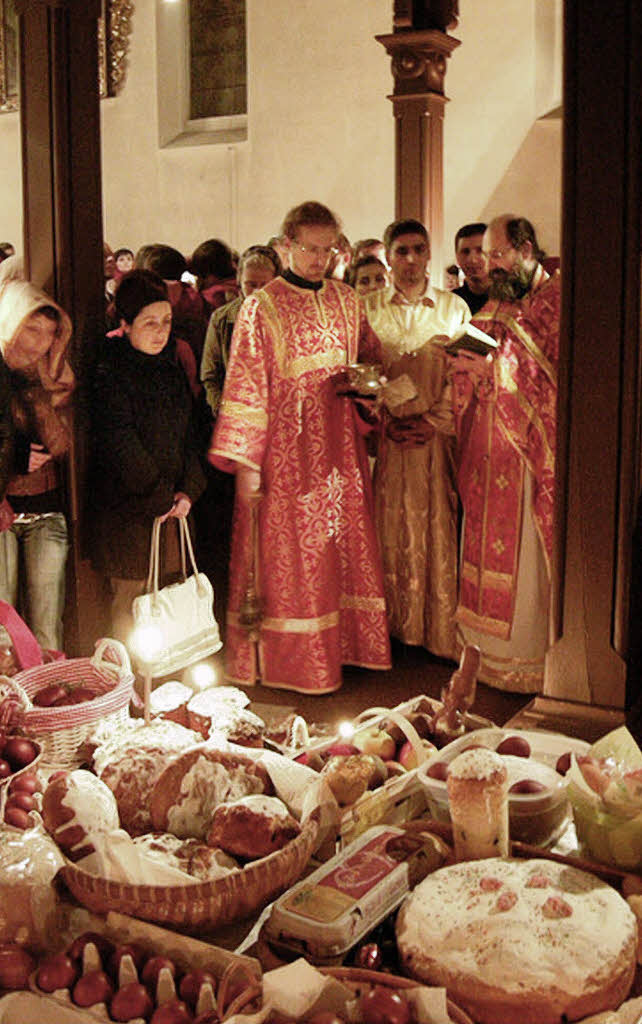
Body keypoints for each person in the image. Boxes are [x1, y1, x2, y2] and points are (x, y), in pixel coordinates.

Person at [209, 200, 391, 693]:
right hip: (284, 456)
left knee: (339, 545)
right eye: (309, 249)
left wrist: (368, 389)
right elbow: (246, 385)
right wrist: (248, 463)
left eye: (327, 249)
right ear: (285, 245)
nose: (318, 258)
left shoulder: (347, 299)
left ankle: (346, 649)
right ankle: (293, 664)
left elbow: (371, 360)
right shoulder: (261, 306)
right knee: (293, 558)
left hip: (339, 449)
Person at [450, 214, 560, 692]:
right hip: (486, 449)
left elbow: (552, 378)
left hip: (528, 457)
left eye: (497, 254)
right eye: (487, 256)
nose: (489, 265)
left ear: (526, 249)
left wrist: (494, 367)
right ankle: (482, 655)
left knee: (524, 556)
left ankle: (527, 662)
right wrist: (460, 362)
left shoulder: (555, 301)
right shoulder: (499, 300)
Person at [364, 218, 470, 660]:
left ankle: (433, 629)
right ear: (387, 257)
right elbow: (354, 369)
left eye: (418, 250)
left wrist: (433, 421)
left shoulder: (453, 309)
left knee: (435, 529)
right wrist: (378, 418)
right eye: (401, 251)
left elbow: (465, 376)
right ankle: (385, 629)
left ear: (430, 254)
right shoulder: (365, 308)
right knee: (383, 528)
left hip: (434, 442)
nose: (410, 260)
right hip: (383, 443)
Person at [88, 269, 206, 643]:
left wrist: (188, 489)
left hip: (171, 507)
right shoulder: (110, 372)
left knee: (169, 598)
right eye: (149, 323)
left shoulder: (170, 368)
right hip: (129, 511)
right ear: (125, 324)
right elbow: (119, 441)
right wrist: (158, 496)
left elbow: (189, 433)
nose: (160, 331)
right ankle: (127, 688)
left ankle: (164, 685)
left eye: (166, 322)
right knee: (132, 602)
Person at [0, 257, 75, 651]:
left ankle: (51, 706)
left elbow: (61, 443)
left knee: (47, 626)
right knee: (3, 625)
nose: (40, 340)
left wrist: (35, 385)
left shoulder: (53, 375)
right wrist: (15, 461)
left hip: (47, 509)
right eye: (31, 327)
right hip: (3, 509)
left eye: (49, 331)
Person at [200, 245, 281, 419]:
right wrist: (223, 411)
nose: (257, 291)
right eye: (251, 284)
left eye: (265, 285)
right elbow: (210, 375)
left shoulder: (288, 317)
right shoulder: (222, 319)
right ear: (239, 282)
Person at [453, 222, 490, 315]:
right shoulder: (449, 304)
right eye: (465, 252)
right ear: (457, 257)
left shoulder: (515, 301)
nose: (472, 259)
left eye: (480, 250)